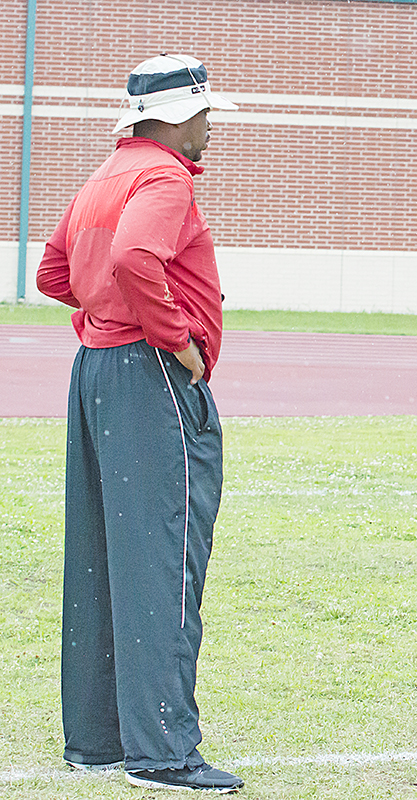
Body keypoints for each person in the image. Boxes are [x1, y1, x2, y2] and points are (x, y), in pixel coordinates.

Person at [36, 54, 244, 792]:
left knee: (100, 557)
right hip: (150, 374)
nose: (212, 129)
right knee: (162, 557)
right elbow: (133, 255)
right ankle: (161, 752)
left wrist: (104, 320)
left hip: (97, 372)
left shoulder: (104, 175)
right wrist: (176, 338)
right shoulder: (161, 176)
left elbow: (53, 273)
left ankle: (96, 741)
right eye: (207, 115)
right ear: (182, 115)